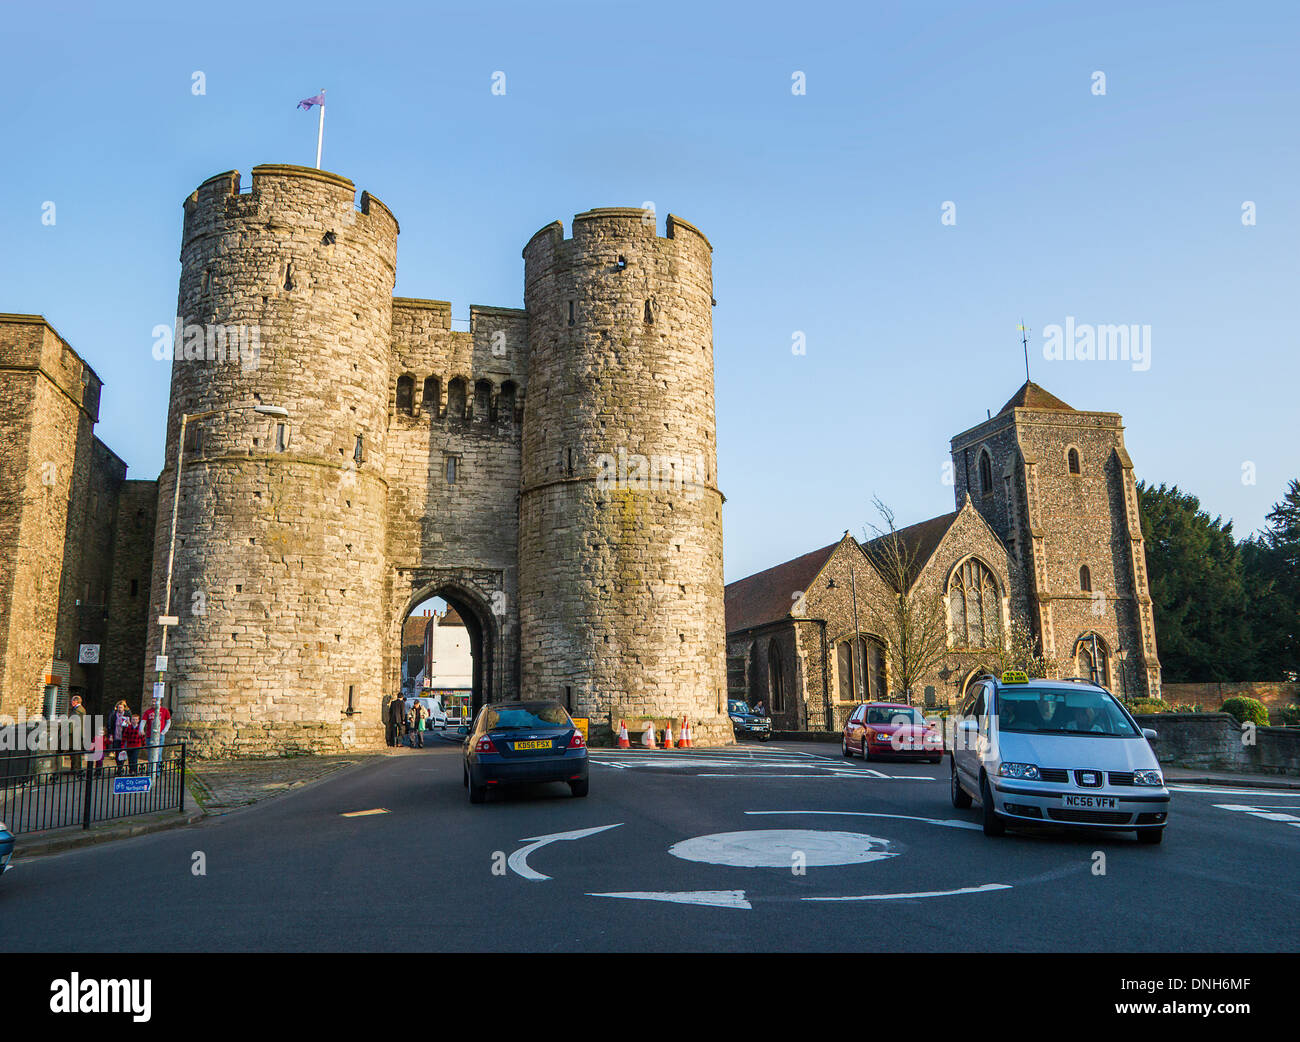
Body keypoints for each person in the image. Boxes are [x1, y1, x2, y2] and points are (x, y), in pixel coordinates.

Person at [141, 693, 171, 776]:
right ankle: (151, 770)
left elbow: (168, 722)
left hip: (160, 735)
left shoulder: (165, 711)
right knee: (151, 753)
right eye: (153, 701)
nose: (154, 703)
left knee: (159, 753)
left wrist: (164, 731)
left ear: (160, 702)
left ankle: (157, 771)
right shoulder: (148, 711)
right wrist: (141, 729)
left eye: (156, 701)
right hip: (149, 735)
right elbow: (143, 721)